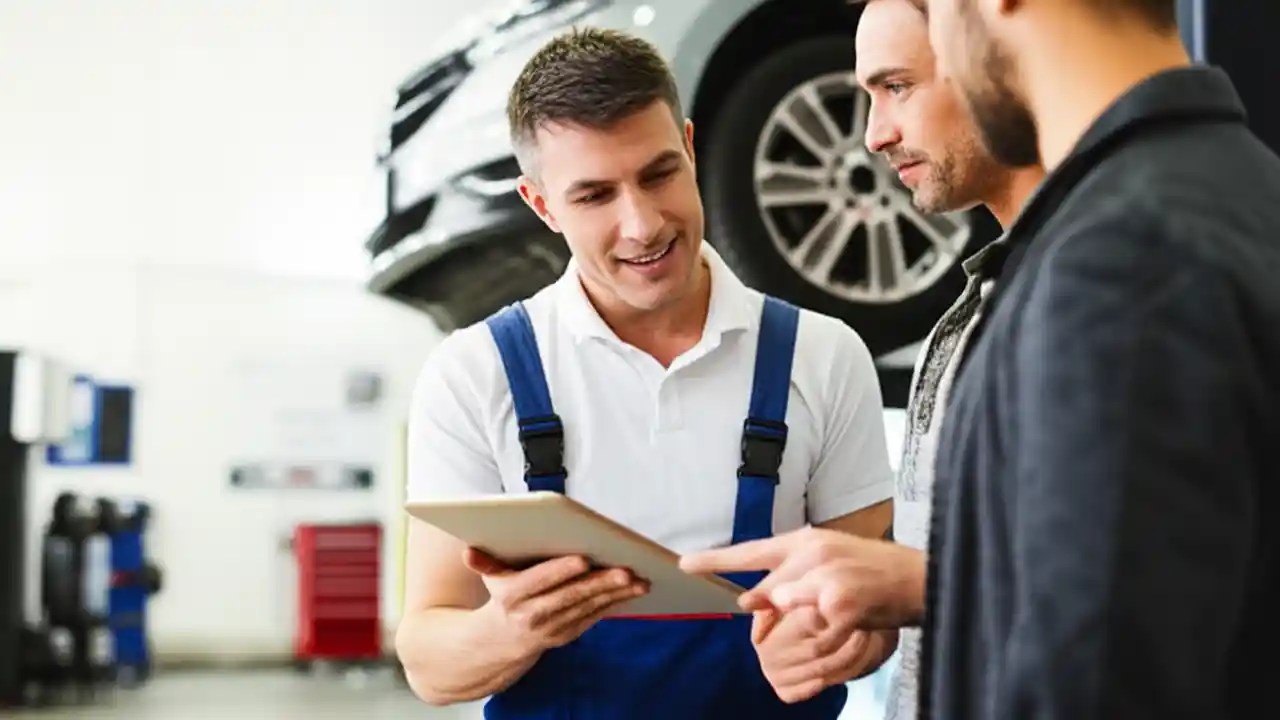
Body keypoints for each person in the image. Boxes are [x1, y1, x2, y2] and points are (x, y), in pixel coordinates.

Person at [692, 0, 1280, 717]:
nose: (874, 135)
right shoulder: (1239, 190)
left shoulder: (1121, 258)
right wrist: (925, 589)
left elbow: (1099, 679)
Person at [394, 26, 899, 719]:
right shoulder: (476, 374)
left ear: (691, 150)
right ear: (541, 204)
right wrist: (506, 630)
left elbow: (877, 613)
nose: (643, 225)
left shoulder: (823, 356)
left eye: (659, 174)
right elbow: (428, 656)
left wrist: (840, 642)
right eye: (595, 196)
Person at [679, 1, 1044, 716]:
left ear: (990, 49)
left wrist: (914, 587)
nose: (872, 136)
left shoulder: (1092, 285)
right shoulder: (977, 311)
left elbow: (1144, 587)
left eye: (896, 86)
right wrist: (868, 624)